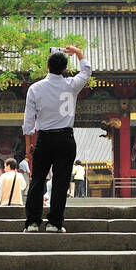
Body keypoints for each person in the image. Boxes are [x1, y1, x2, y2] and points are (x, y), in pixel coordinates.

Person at [23, 44, 91, 233]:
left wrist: (29, 144)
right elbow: (86, 71)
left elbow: (29, 120)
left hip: (44, 138)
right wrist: (78, 53)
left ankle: (33, 222)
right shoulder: (72, 85)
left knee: (37, 181)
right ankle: (54, 223)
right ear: (65, 69)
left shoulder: (35, 89)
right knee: (61, 183)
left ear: (47, 66)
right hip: (65, 139)